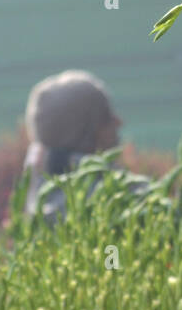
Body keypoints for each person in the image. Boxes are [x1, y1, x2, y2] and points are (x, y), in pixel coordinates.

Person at [21, 69, 122, 224]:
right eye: (106, 116)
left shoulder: (34, 194)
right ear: (86, 133)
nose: (119, 122)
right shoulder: (115, 199)